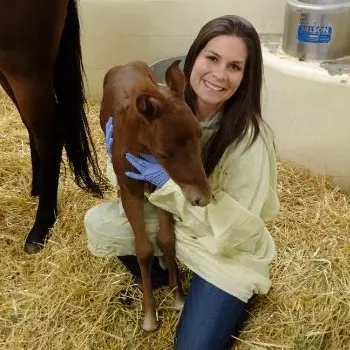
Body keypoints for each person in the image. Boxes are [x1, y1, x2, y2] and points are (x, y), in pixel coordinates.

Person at [85, 14, 279, 350]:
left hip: (224, 247)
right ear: (193, 59)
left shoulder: (251, 139)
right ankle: (163, 274)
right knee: (99, 223)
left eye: (234, 67)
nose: (219, 75)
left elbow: (241, 229)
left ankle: (223, 300)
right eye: (212, 58)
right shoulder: (170, 106)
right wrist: (117, 152)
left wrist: (168, 182)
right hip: (178, 225)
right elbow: (133, 172)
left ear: (247, 76)